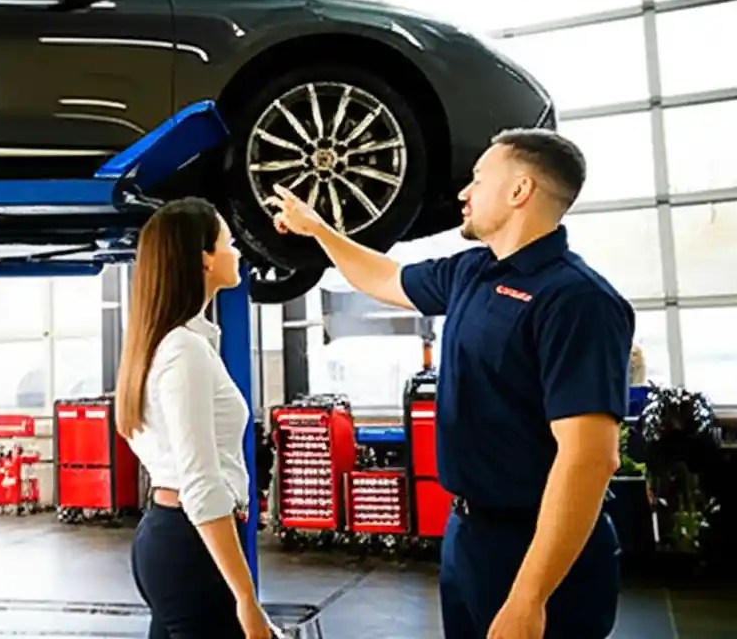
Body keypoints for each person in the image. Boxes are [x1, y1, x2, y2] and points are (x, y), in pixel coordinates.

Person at [271, 128, 633, 639]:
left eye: (478, 179)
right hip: (467, 534)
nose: (464, 192)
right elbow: (382, 277)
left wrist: (530, 596)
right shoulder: (472, 272)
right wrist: (319, 231)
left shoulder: (578, 300)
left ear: (519, 191)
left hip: (538, 547)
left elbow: (590, 457)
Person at [115, 197, 278, 639]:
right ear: (203, 260)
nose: (238, 251)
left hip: (172, 535)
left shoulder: (170, 344)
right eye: (228, 242)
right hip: (191, 546)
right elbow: (201, 485)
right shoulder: (183, 351)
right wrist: (247, 598)